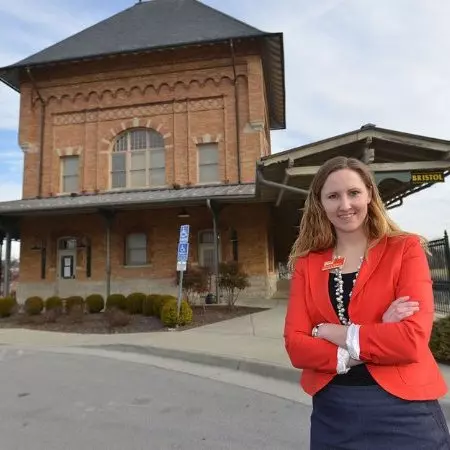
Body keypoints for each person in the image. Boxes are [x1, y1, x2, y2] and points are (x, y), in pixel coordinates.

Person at [284, 156, 450, 449]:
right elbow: (296, 348)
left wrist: (328, 332)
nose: (345, 205)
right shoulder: (306, 264)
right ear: (320, 203)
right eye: (333, 196)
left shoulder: (405, 249)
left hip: (405, 410)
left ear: (369, 194)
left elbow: (410, 342)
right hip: (333, 412)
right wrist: (380, 331)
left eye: (354, 193)